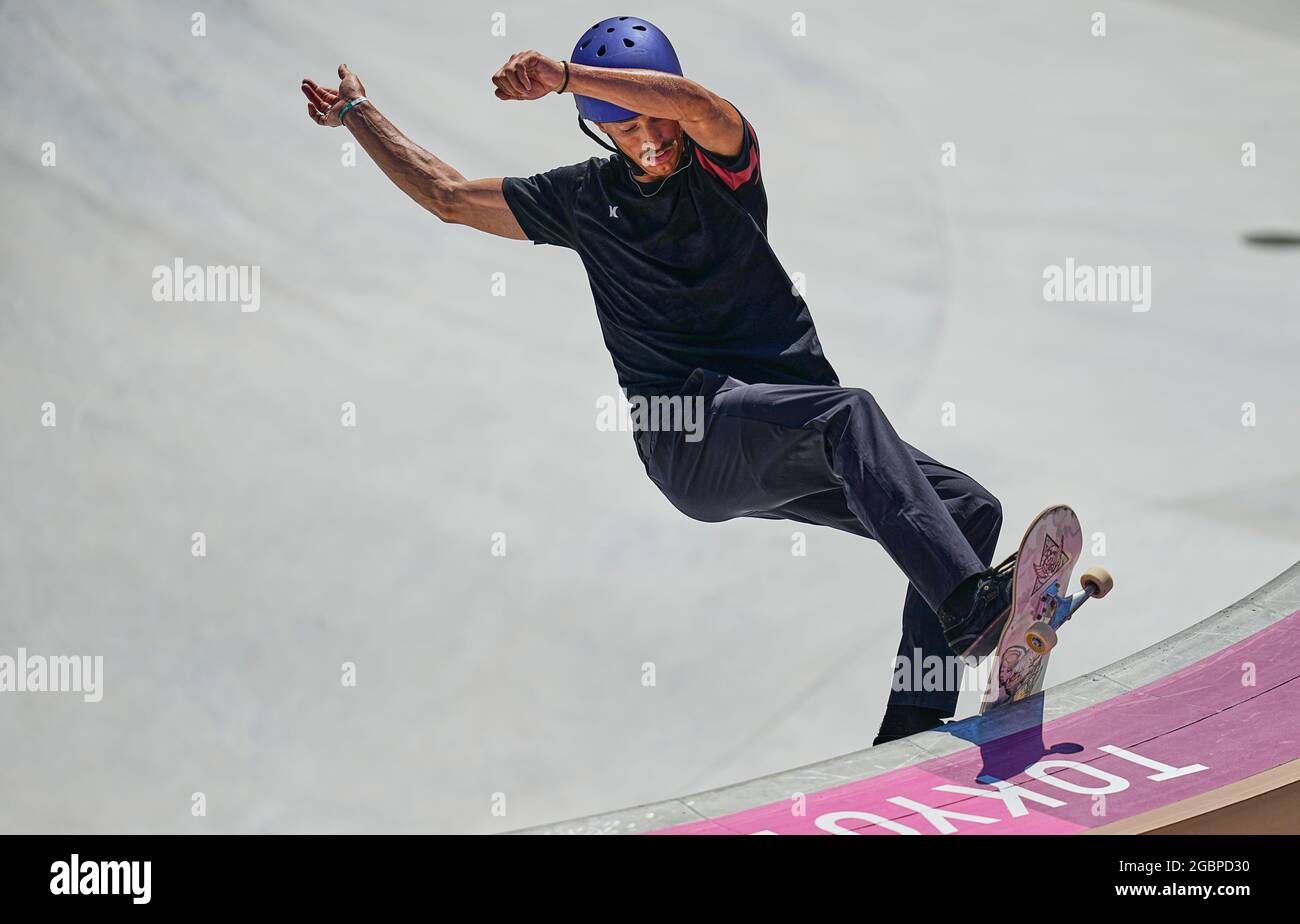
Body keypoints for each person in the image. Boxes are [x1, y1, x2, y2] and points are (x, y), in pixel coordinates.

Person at [301, 16, 1012, 745]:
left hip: (774, 434)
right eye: (625, 127)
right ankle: (972, 607)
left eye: (655, 117)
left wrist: (569, 78)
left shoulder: (723, 160)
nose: (650, 137)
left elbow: (701, 107)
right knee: (849, 417)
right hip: (690, 440)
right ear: (597, 130)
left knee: (966, 511)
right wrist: (360, 115)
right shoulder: (578, 200)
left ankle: (912, 722)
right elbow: (447, 195)